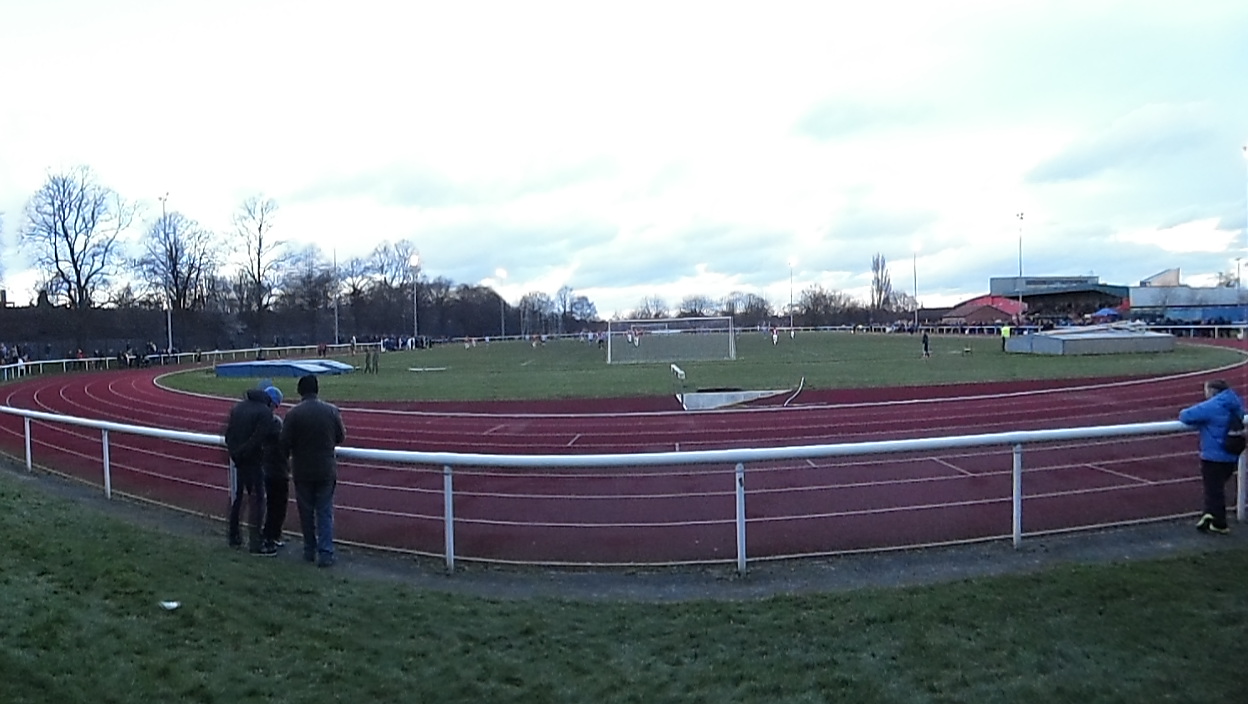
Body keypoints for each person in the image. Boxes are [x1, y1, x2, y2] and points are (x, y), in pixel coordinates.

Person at [280, 374, 346, 567]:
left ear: (300, 391)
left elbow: (284, 443)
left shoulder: (293, 414)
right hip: (325, 469)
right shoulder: (331, 411)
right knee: (325, 512)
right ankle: (326, 553)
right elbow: (341, 436)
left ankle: (309, 550)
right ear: (317, 389)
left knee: (306, 512)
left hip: (302, 470)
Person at [1178, 378, 1244, 535]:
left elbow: (1186, 416)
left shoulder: (1212, 406)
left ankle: (1220, 523)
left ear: (1212, 391)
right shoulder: (1235, 402)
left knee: (1214, 490)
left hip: (1213, 455)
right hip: (1231, 454)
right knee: (1215, 488)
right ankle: (1208, 515)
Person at [223, 383, 275, 553]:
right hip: (253, 461)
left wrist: (235, 453)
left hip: (239, 460)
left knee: (239, 499)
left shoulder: (237, 408)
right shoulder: (265, 412)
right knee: (258, 501)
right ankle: (256, 543)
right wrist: (244, 452)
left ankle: (234, 536)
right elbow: (259, 438)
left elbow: (228, 435)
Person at [259, 385, 288, 555]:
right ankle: (271, 536)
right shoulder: (274, 422)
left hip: (266, 466)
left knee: (272, 504)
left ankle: (272, 535)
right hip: (276, 468)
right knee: (277, 505)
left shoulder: (260, 419)